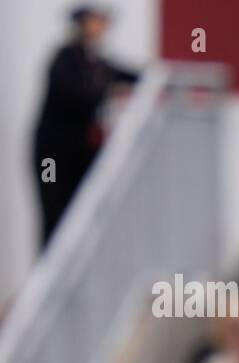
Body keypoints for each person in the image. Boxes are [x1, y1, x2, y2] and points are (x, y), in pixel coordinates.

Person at [32, 5, 138, 246]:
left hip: (80, 153)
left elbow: (130, 75)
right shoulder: (65, 58)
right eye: (96, 21)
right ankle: (50, 266)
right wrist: (107, 91)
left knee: (78, 213)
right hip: (53, 157)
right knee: (54, 209)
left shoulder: (99, 64)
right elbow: (73, 94)